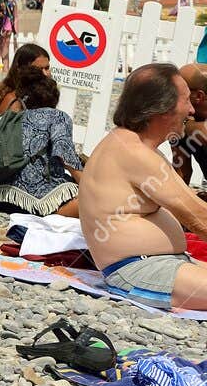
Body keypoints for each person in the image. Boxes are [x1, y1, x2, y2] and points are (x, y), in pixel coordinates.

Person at [79, 63, 207, 311]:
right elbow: (198, 218)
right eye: (185, 101)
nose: (191, 110)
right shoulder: (135, 153)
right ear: (162, 109)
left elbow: (193, 204)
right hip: (138, 268)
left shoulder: (131, 144)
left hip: (154, 262)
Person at [0, 71, 82, 217]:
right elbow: (66, 158)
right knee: (97, 204)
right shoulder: (57, 117)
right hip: (34, 201)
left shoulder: (8, 117)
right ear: (54, 100)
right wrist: (89, 187)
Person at [170, 63, 207, 191]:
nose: (170, 95)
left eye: (176, 90)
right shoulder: (182, 124)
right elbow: (182, 174)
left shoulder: (184, 125)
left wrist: (184, 126)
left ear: (198, 96)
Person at [0, 43, 51, 114]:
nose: (45, 74)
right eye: (39, 69)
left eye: (47, 68)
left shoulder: (34, 95)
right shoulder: (14, 102)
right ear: (23, 69)